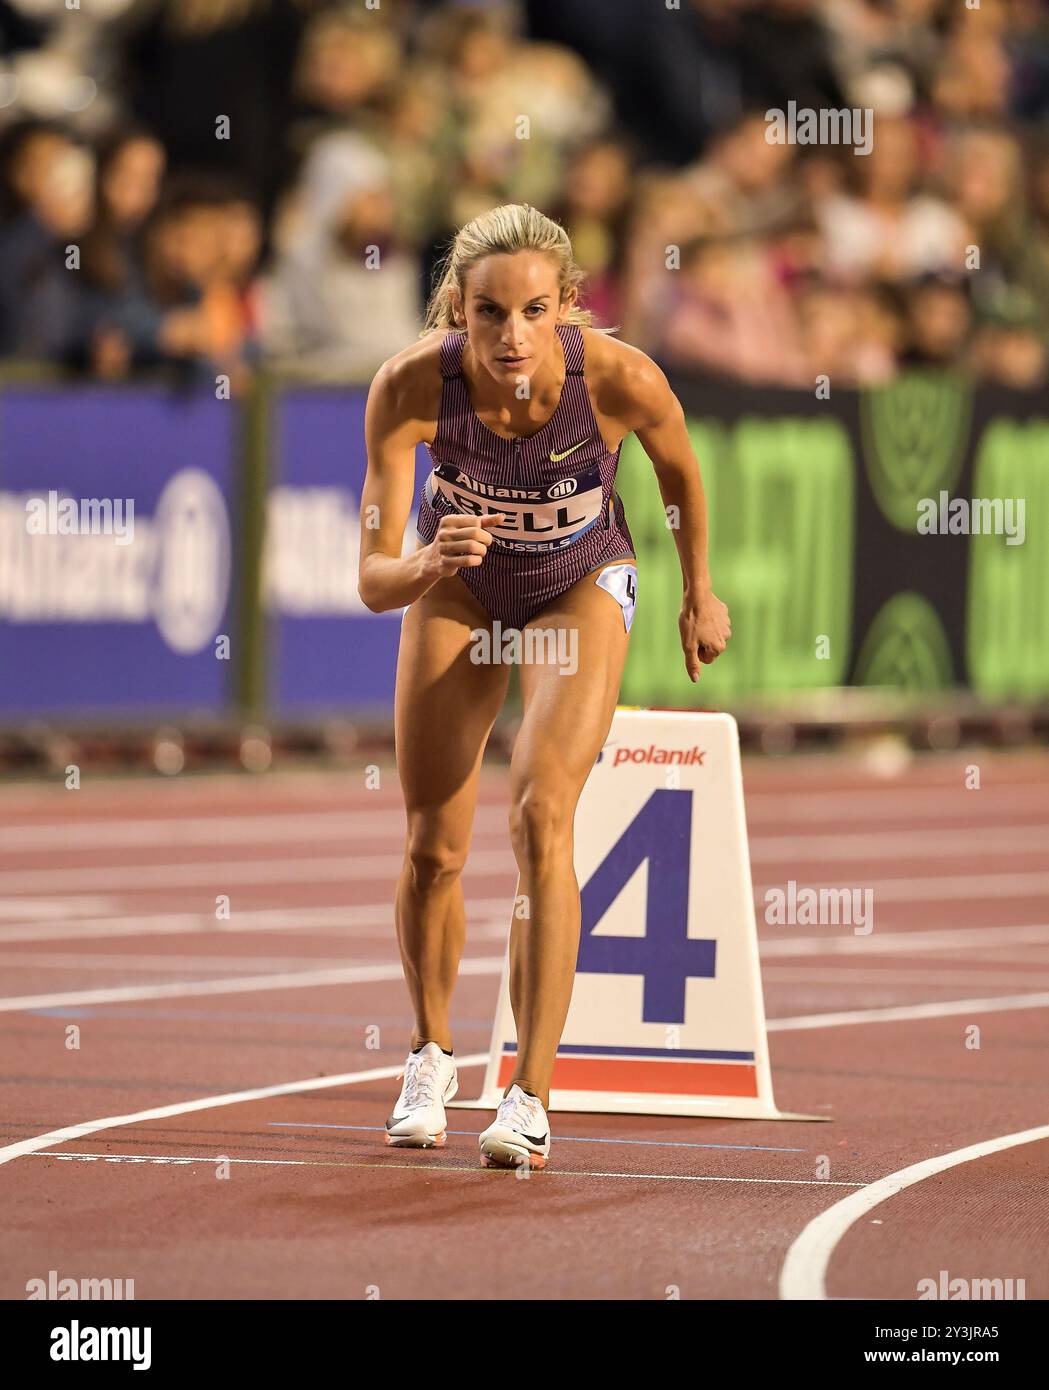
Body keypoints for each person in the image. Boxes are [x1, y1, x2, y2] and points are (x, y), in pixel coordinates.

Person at [357, 202, 731, 1170]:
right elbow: (369, 580)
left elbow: (681, 478)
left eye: (532, 311)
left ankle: (529, 1091)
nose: (510, 336)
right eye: (488, 314)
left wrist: (698, 591)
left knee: (540, 814)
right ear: (456, 308)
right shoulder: (406, 387)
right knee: (433, 842)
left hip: (578, 586)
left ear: (568, 304)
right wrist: (430, 558)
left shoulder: (619, 378)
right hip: (461, 587)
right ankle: (430, 1053)